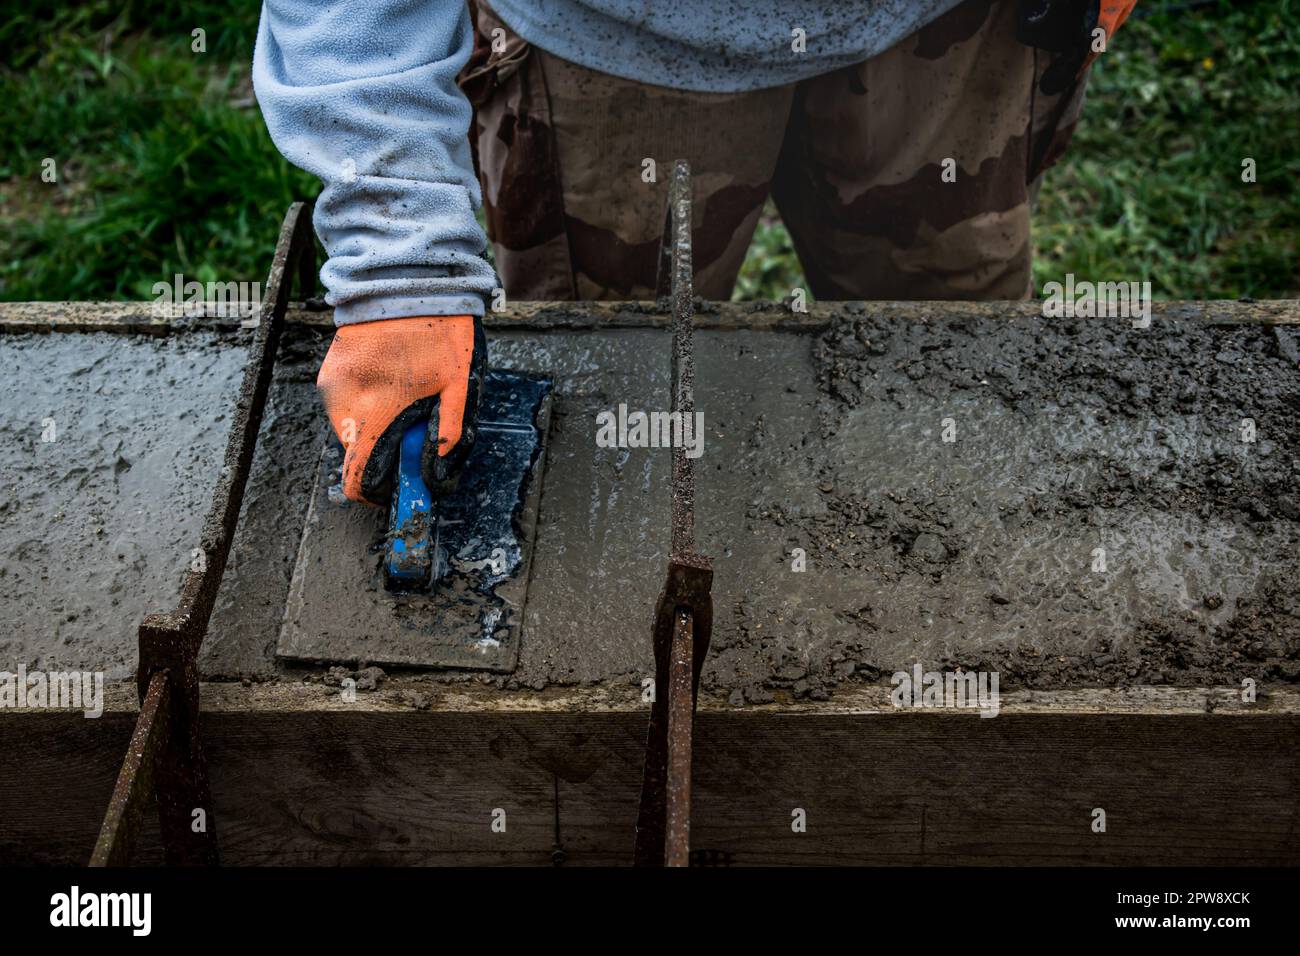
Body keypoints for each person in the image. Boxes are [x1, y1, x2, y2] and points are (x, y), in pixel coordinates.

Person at [253, 0, 1135, 505]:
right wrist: (401, 259)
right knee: (603, 438)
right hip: (608, 44)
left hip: (946, 30)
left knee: (953, 376)